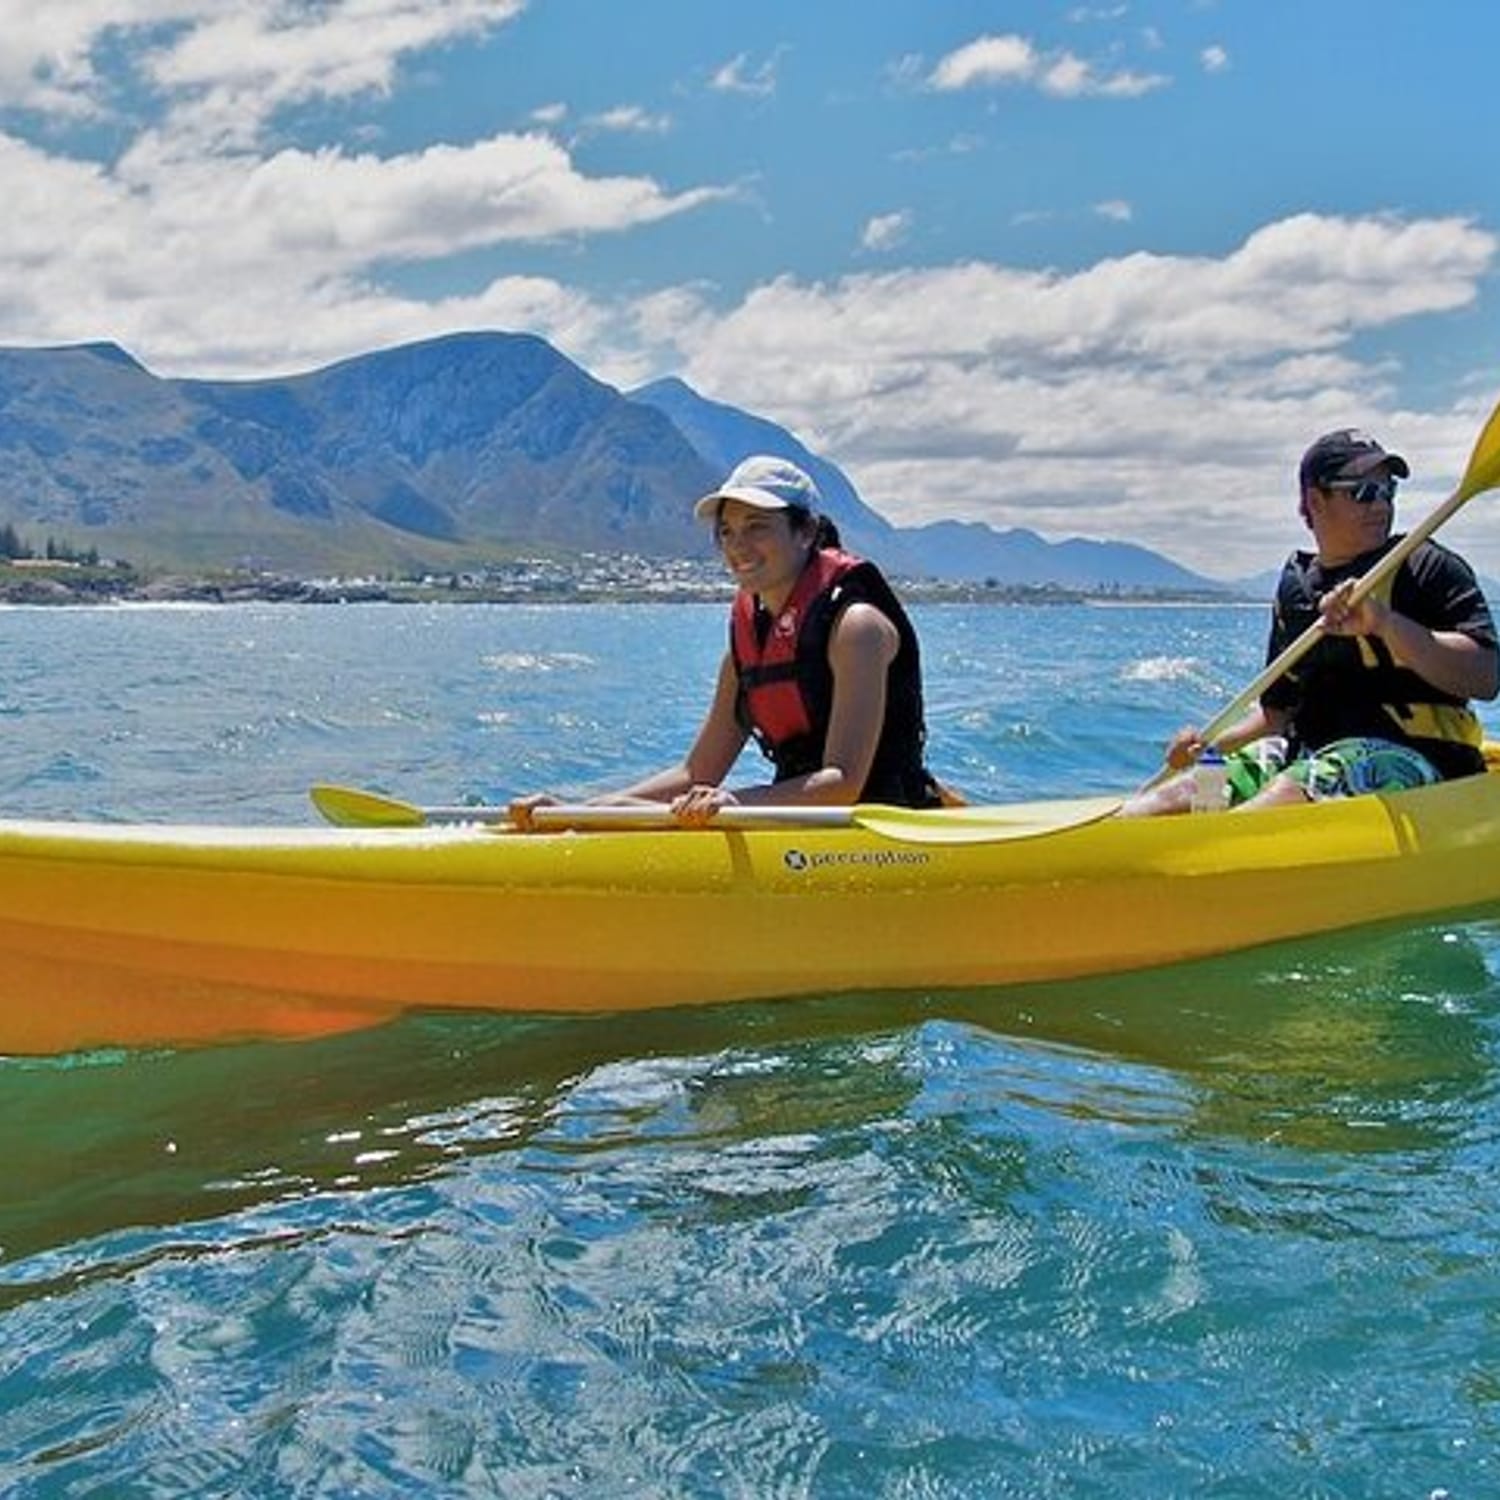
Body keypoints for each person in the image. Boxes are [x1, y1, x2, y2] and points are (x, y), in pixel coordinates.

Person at [510, 454, 945, 828]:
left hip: (886, 830)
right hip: (801, 828)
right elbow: (696, 773)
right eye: (727, 531)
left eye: (757, 527)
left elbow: (843, 782)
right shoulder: (746, 647)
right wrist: (577, 813)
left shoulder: (857, 628)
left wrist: (733, 803)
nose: (738, 546)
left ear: (806, 532)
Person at [1123, 428, 1498, 816]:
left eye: (1388, 491)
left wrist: (1385, 623)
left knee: (1287, 792)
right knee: (1177, 795)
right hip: (1309, 752)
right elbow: (1277, 713)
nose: (1381, 505)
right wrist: (1210, 745)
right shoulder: (1298, 591)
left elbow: (1486, 676)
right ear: (1316, 501)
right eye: (1364, 492)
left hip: (1416, 761)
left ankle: (1233, 839)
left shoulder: (1426, 566)